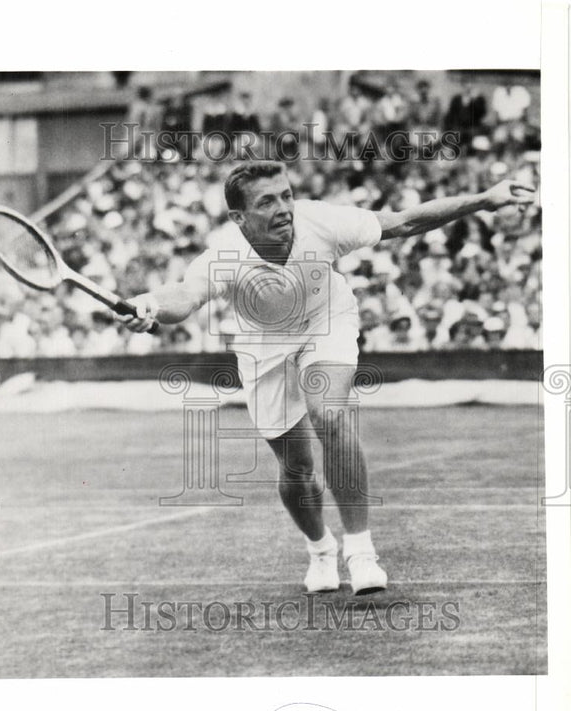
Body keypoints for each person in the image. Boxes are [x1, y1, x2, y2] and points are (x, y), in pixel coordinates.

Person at [116, 161, 534, 595]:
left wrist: (485, 199)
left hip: (325, 322)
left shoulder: (322, 220)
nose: (283, 209)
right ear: (238, 218)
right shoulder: (222, 254)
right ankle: (319, 548)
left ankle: (360, 550)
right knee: (296, 467)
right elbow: (184, 296)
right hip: (263, 348)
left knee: (329, 414)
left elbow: (405, 221)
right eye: (267, 202)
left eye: (286, 196)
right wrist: (148, 304)